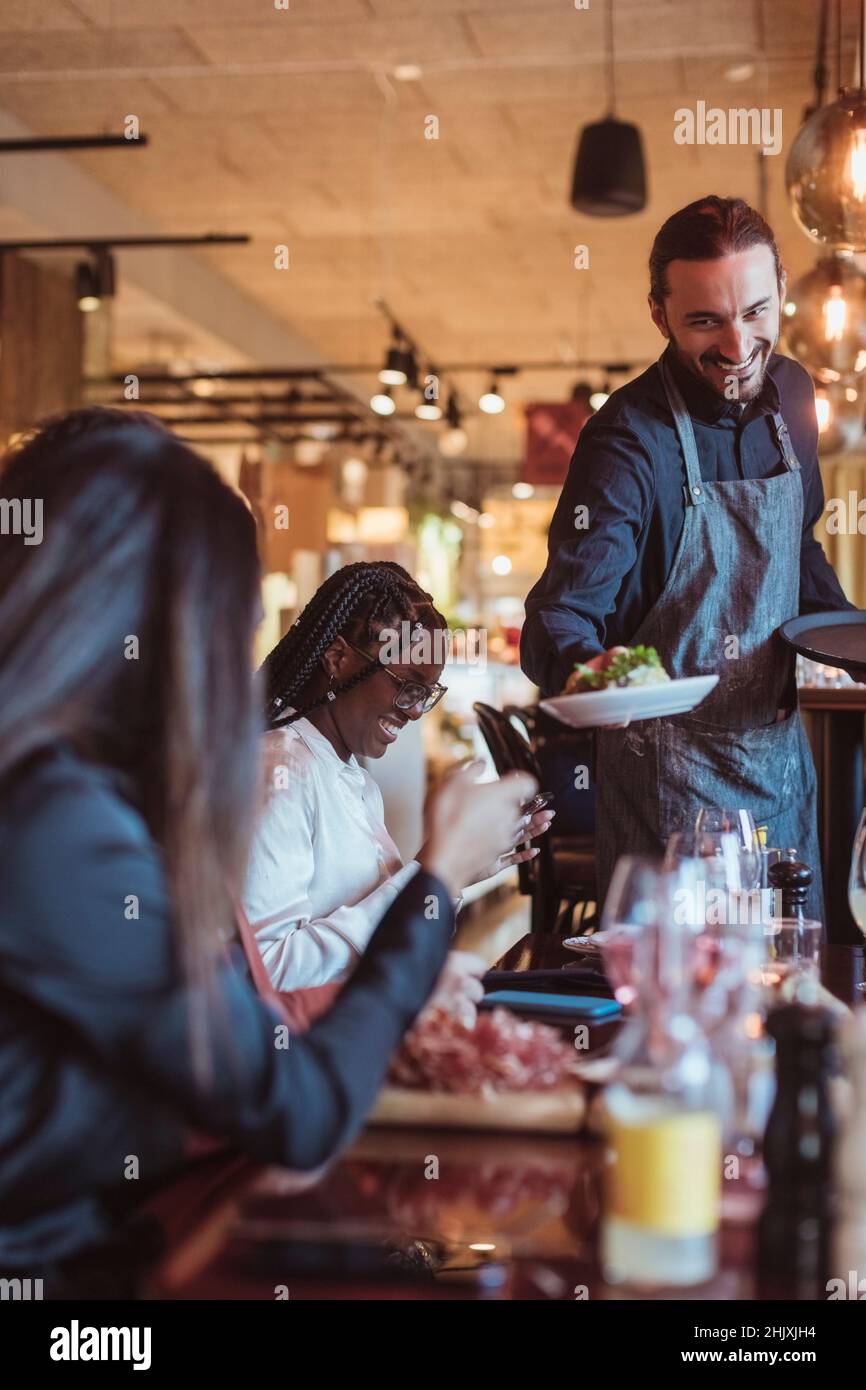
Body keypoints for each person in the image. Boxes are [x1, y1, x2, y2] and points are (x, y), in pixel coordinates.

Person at [0, 410, 536, 1289]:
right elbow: (299, 1111)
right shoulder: (55, 827)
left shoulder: (70, 794)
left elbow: (227, 1035)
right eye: (230, 623)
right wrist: (433, 883)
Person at [522, 196, 855, 919]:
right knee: (679, 1011)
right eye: (705, 321)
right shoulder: (626, 442)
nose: (738, 348)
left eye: (756, 312)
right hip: (668, 798)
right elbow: (560, 615)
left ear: (782, 289)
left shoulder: (795, 395)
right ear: (659, 314)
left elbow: (795, 547)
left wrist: (854, 635)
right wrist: (590, 676)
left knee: (793, 998)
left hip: (778, 771)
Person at [244, 561, 554, 990]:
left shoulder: (353, 780)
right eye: (406, 684)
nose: (413, 710)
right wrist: (432, 871)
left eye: (426, 695)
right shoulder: (280, 773)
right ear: (338, 658)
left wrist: (454, 874)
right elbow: (269, 974)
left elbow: (388, 941)